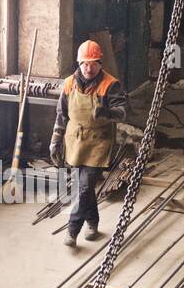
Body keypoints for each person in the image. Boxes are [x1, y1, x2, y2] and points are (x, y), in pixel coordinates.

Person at [49, 40, 129, 247]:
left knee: (84, 187)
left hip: (98, 141)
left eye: (93, 63)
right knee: (85, 187)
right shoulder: (69, 83)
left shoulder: (110, 84)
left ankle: (72, 229)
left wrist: (108, 112)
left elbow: (123, 112)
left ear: (100, 63)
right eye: (85, 63)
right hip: (75, 141)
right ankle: (92, 222)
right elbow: (61, 115)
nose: (89, 67)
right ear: (79, 63)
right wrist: (55, 140)